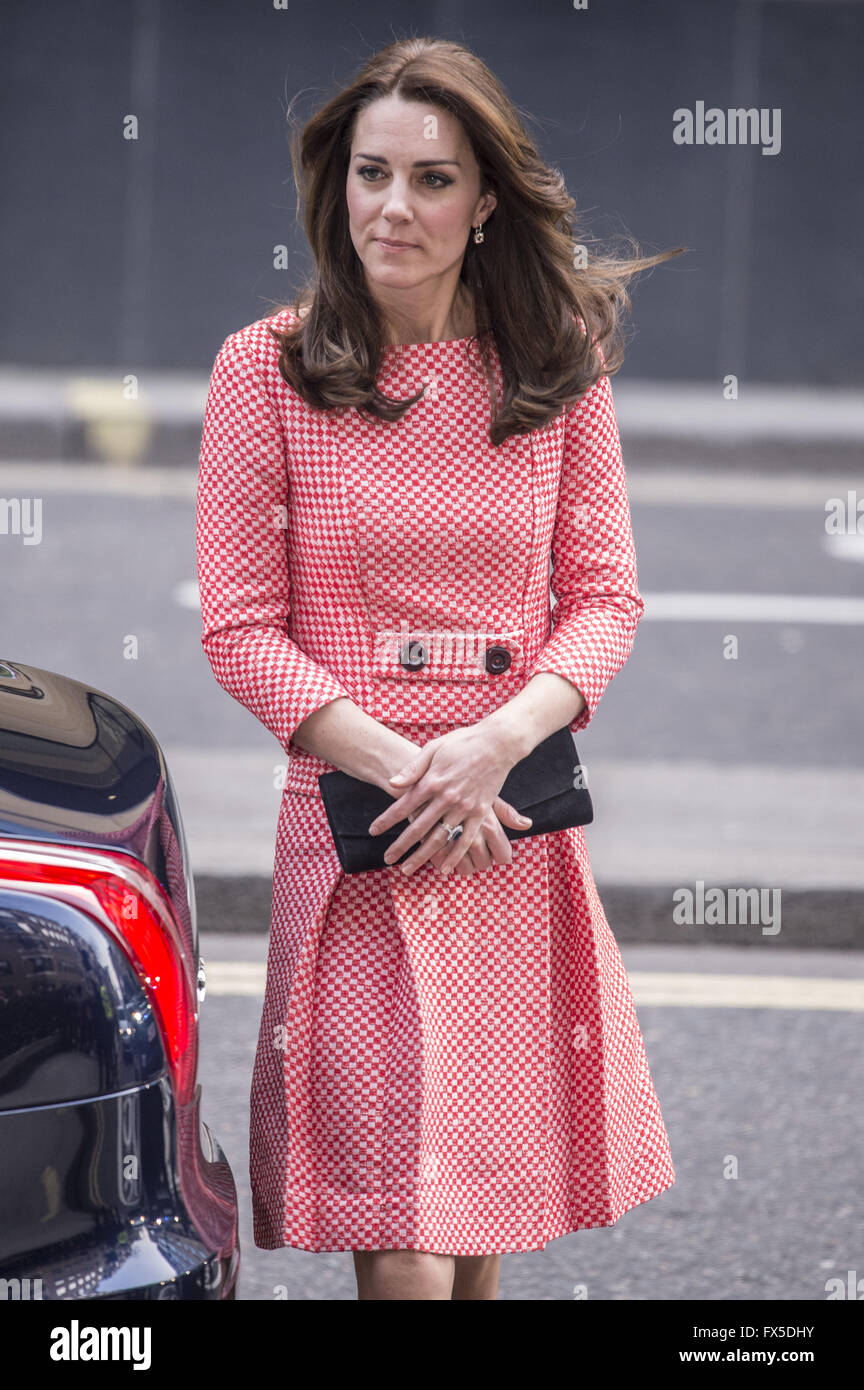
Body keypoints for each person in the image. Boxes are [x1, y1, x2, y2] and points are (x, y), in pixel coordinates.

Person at [195, 36, 683, 1302]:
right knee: (398, 1215)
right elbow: (240, 625)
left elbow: (606, 599)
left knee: (474, 1202)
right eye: (371, 173)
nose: (393, 208)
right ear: (336, 187)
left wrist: (490, 750)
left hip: (505, 816)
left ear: (483, 205)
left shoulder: (552, 357)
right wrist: (413, 772)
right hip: (366, 825)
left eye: (430, 179)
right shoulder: (269, 367)